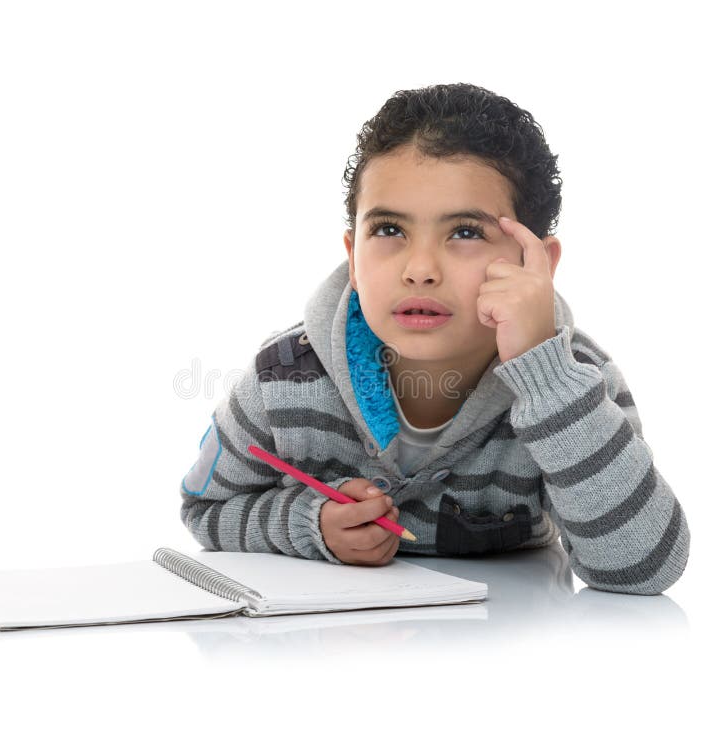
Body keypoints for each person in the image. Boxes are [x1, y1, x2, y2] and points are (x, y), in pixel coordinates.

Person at [178, 82, 690, 595]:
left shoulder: (576, 380)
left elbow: (643, 568)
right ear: (353, 255)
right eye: (389, 231)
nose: (420, 270)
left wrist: (545, 380)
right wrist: (308, 525)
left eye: (465, 232)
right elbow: (203, 507)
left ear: (537, 265)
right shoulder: (281, 378)